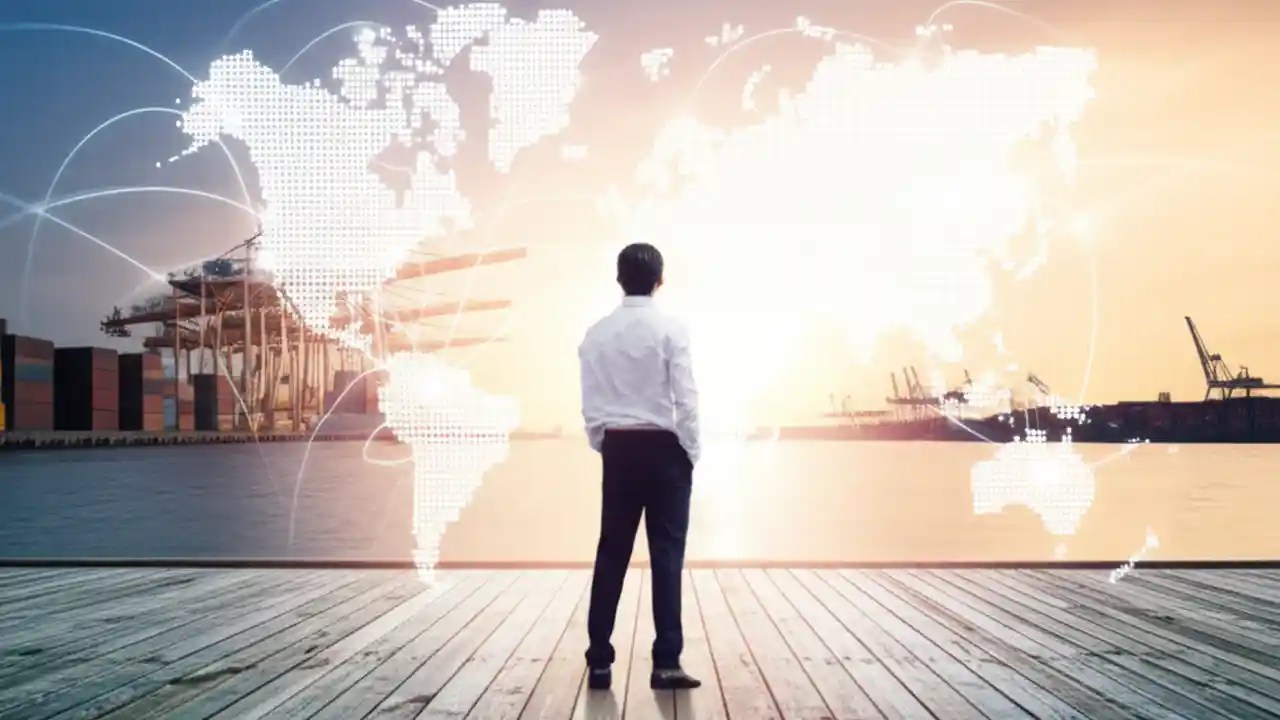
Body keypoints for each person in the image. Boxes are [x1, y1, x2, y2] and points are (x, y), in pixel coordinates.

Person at [578, 242, 702, 691]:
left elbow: (590, 402)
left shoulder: (596, 333)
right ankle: (666, 661)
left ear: (618, 278)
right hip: (665, 449)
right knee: (667, 555)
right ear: (660, 279)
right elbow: (686, 398)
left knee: (611, 552)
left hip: (619, 449)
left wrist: (604, 443)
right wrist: (689, 449)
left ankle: (599, 661)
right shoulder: (672, 330)